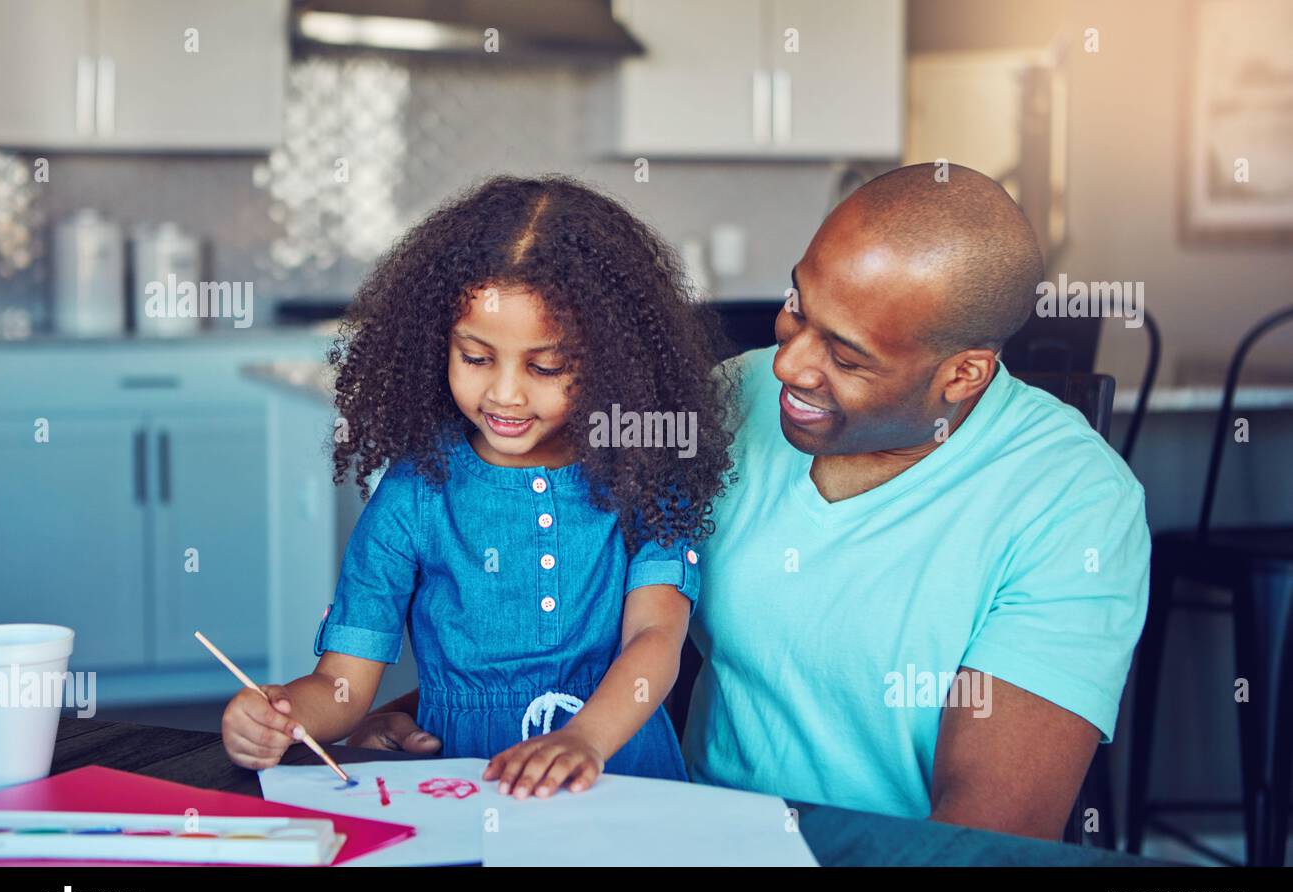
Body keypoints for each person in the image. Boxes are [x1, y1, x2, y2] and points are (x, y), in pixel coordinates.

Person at [348, 163, 1151, 840]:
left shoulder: (1074, 507)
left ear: (962, 375)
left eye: (844, 354)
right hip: (680, 831)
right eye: (799, 306)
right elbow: (590, 609)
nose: (788, 366)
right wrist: (442, 713)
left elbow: (987, 833)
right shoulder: (720, 410)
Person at [220, 174, 735, 800]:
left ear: (614, 361)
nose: (505, 394)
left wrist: (584, 740)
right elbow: (342, 687)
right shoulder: (415, 493)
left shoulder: (646, 471)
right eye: (476, 357)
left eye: (546, 366)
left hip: (625, 779)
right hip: (463, 791)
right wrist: (279, 714)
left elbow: (655, 637)